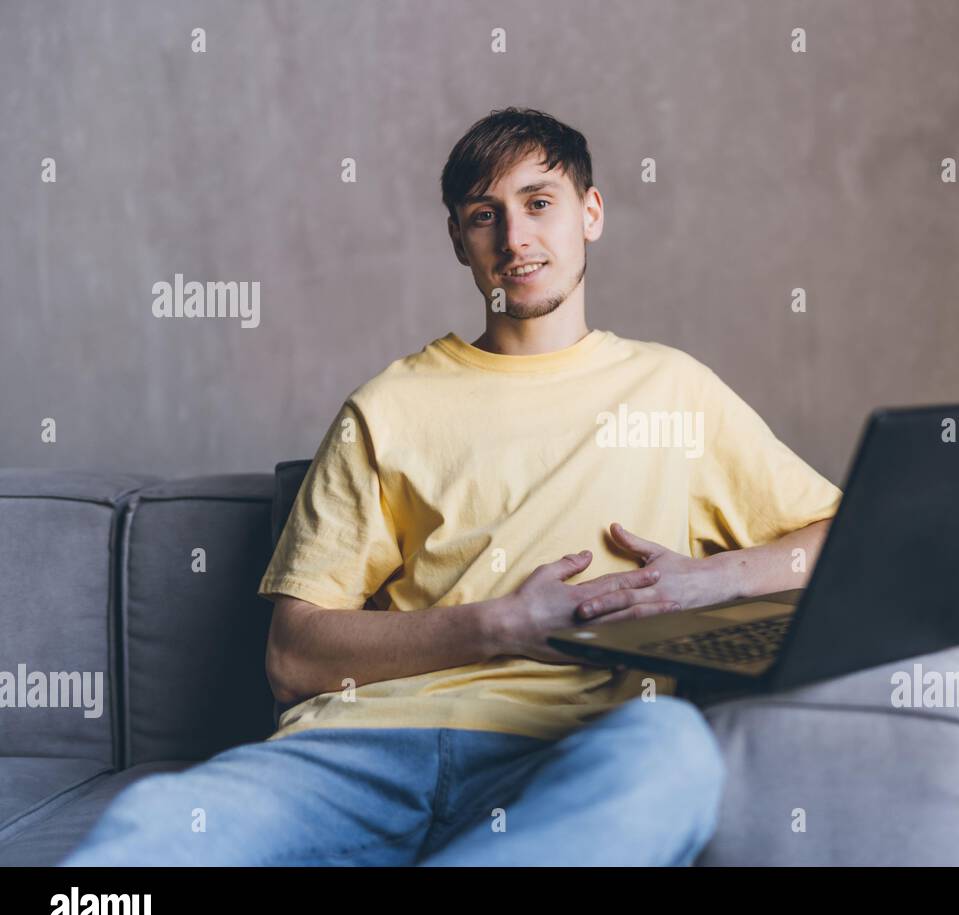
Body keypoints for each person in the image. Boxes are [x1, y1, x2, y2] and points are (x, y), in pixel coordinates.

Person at [60, 107, 841, 867]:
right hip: (356, 755)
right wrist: (501, 623)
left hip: (555, 752)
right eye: (484, 215)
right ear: (458, 240)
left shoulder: (674, 391)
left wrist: (708, 580)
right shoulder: (387, 405)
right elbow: (292, 657)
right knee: (156, 827)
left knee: (674, 754)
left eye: (539, 203)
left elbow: (844, 534)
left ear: (590, 213)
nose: (516, 238)